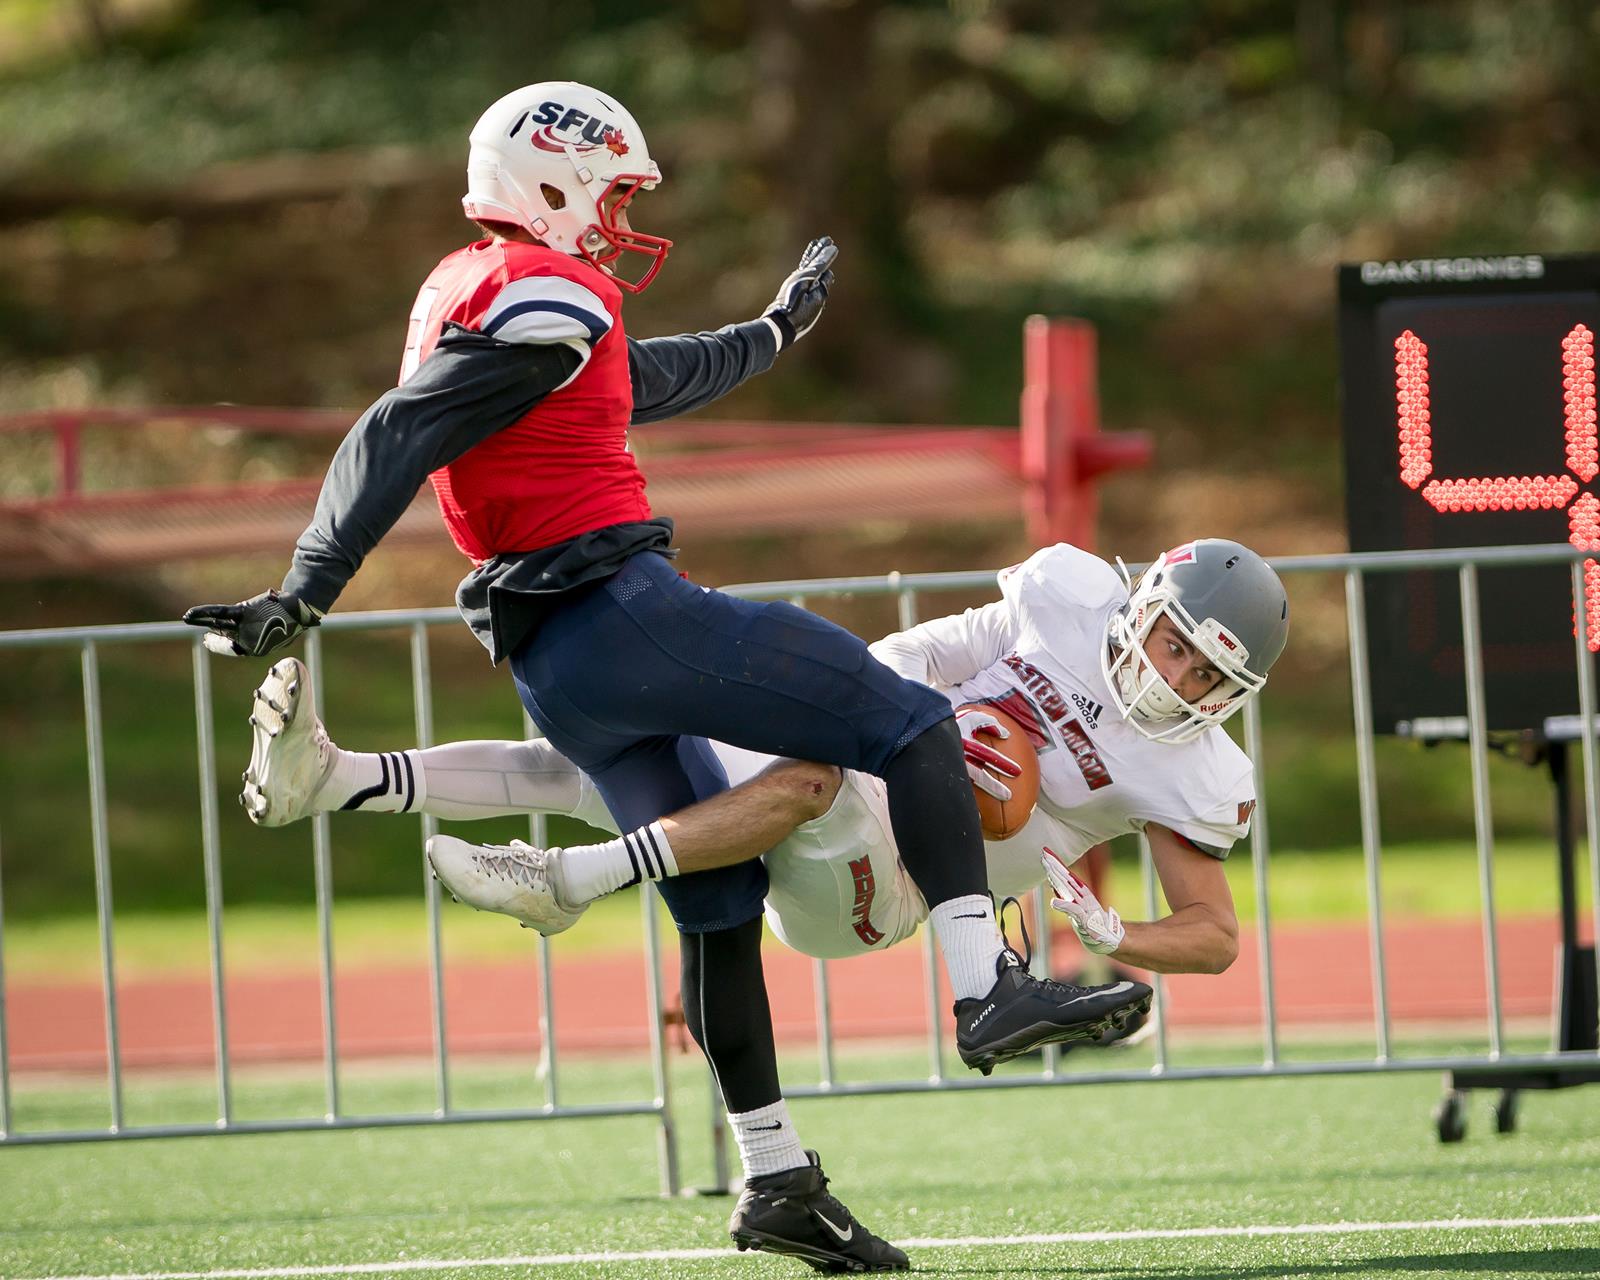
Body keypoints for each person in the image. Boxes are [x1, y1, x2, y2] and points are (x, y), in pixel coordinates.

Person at [184, 81, 1147, 1274]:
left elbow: (640, 379)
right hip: (620, 613)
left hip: (555, 661)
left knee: (718, 892)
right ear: (551, 175)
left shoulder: (486, 290)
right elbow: (395, 431)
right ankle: (982, 988)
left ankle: (775, 1173)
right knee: (905, 721)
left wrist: (773, 333)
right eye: (618, 190)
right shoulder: (537, 287)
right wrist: (306, 589)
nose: (624, 218)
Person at [243, 536, 1285, 985]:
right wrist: (895, 710)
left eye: (1204, 674)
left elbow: (1215, 935)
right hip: (880, 768)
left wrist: (1117, 931)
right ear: (1144, 605)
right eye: (1176, 644)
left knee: (812, 785)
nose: (1179, 678)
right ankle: (332, 777)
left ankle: (563, 883)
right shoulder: (1064, 598)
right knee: (592, 762)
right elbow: (934, 645)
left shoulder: (1193, 768)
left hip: (889, 892)